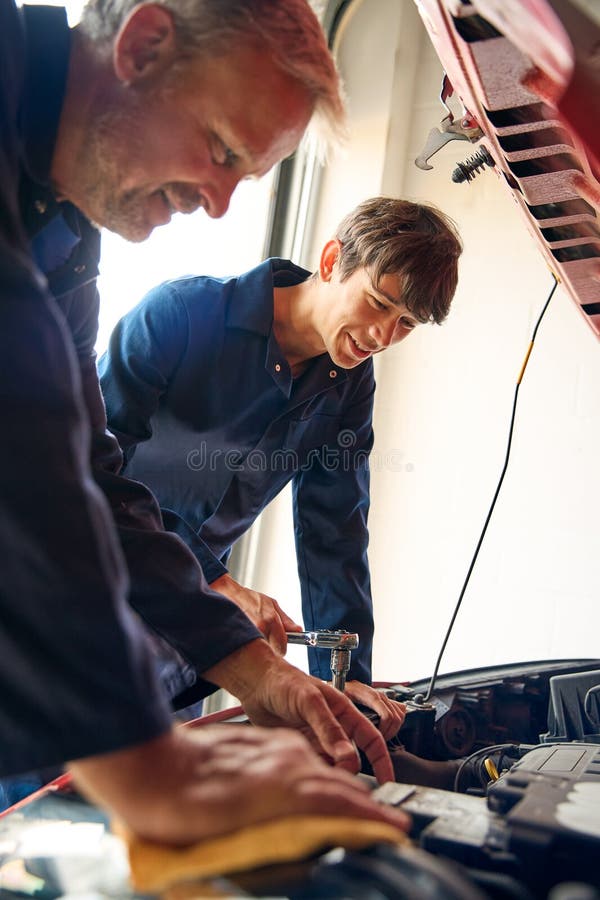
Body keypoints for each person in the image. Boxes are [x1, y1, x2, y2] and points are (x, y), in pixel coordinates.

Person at [0, 0, 410, 843]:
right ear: (143, 46)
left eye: (245, 177)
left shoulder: (69, 241)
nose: (220, 205)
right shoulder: (176, 314)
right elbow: (26, 449)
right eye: (221, 150)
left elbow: (91, 481)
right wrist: (145, 763)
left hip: (142, 622)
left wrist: (267, 675)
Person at [99, 197, 461, 733]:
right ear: (333, 259)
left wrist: (345, 679)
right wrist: (216, 582)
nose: (384, 337)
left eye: (406, 322)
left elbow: (333, 531)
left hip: (183, 633)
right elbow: (89, 475)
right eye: (379, 304)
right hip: (72, 595)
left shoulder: (350, 385)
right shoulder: (179, 314)